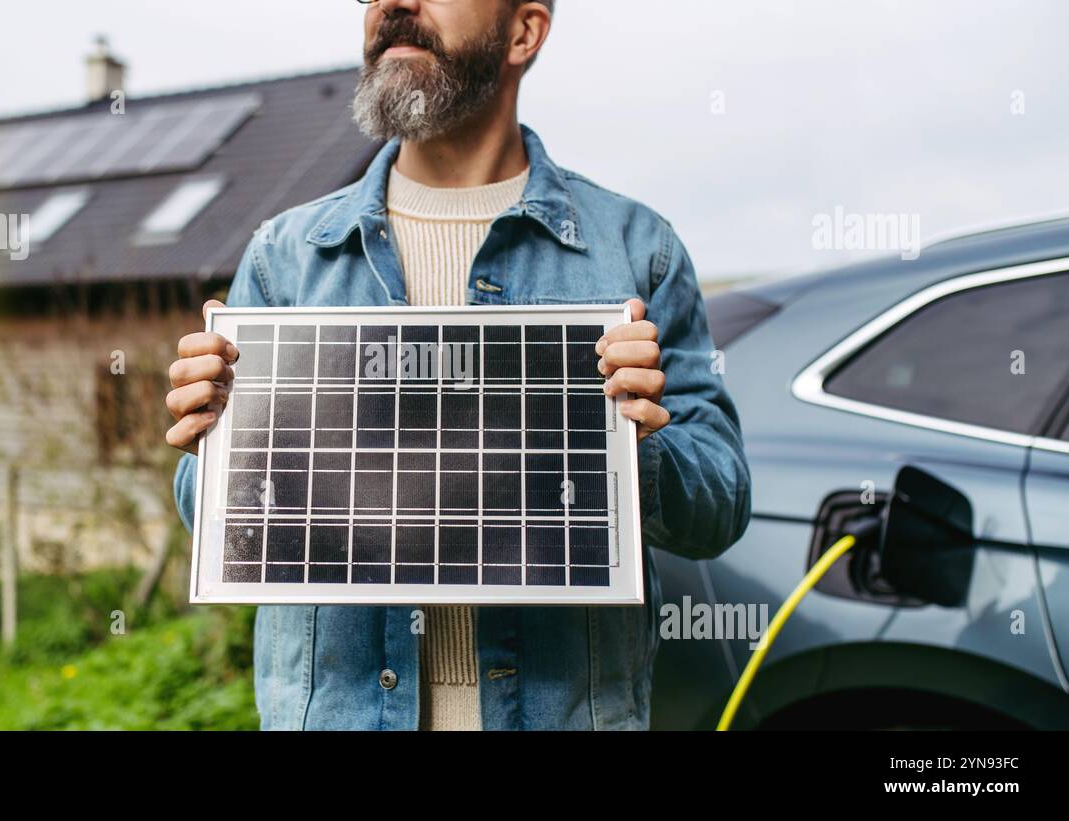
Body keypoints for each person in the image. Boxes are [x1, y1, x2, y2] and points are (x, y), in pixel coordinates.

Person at [166, 0, 750, 730]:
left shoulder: (637, 250)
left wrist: (636, 447)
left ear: (524, 31)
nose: (393, 6)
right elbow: (219, 519)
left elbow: (721, 504)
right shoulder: (287, 257)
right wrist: (220, 446)